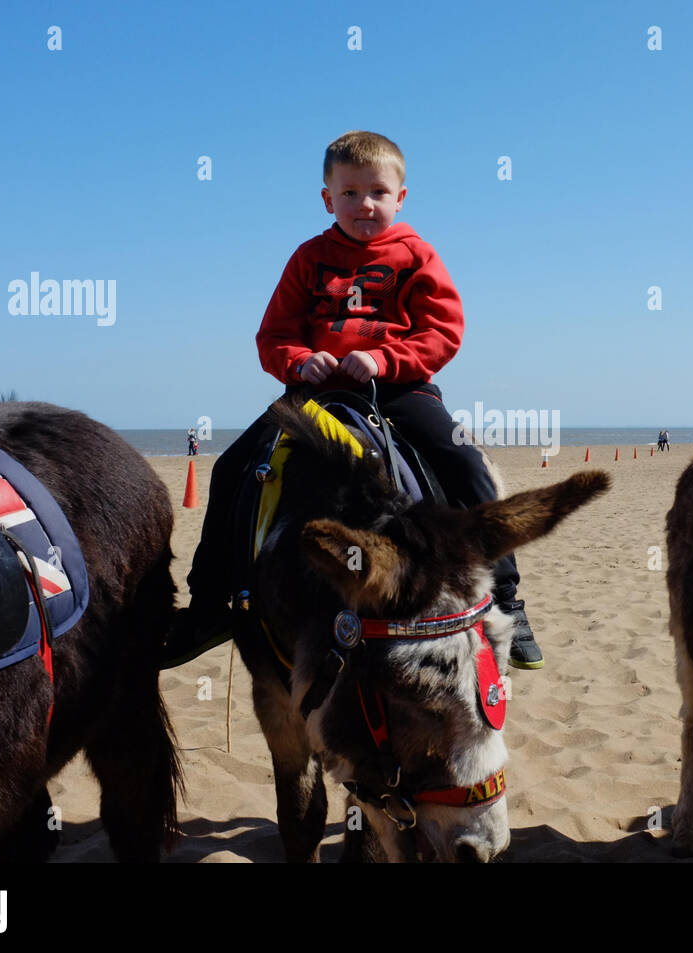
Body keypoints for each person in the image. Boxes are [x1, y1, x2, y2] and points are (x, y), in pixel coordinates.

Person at [161, 131, 541, 669]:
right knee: (230, 469)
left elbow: (443, 331)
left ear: (400, 198)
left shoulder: (416, 255)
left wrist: (386, 359)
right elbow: (273, 335)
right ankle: (208, 604)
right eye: (350, 193)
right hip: (313, 395)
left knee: (464, 464)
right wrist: (298, 361)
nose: (364, 203)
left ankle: (507, 600)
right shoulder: (309, 258)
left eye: (378, 192)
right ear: (327, 198)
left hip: (398, 391)